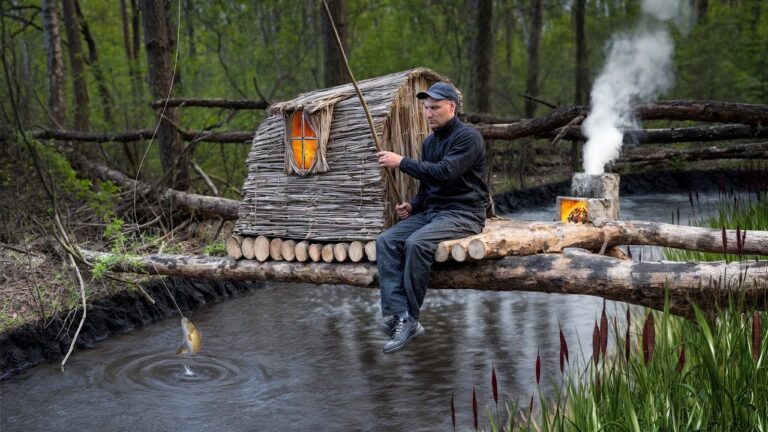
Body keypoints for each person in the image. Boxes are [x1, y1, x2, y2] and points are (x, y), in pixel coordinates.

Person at [375, 81, 489, 354]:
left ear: (451, 107)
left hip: (465, 213)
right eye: (426, 108)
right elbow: (427, 187)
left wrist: (401, 162)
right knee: (386, 240)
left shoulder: (468, 137)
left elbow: (445, 172)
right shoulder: (430, 142)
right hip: (432, 213)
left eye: (435, 107)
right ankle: (399, 314)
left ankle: (410, 319)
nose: (428, 113)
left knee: (417, 243)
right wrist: (413, 206)